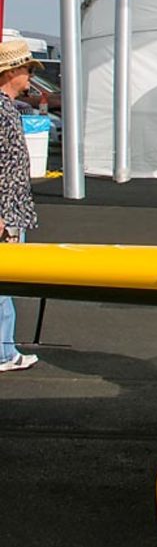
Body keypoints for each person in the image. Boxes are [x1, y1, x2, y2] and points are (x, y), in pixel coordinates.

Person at [0, 38, 42, 373]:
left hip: (11, 211)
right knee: (3, 284)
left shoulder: (7, 107)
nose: (30, 76)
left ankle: (6, 349)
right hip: (7, 213)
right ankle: (3, 351)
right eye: (27, 69)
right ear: (12, 70)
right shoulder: (2, 109)